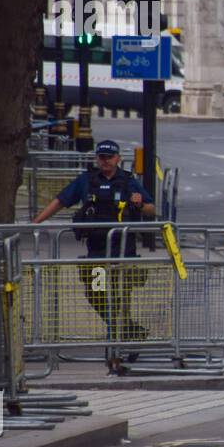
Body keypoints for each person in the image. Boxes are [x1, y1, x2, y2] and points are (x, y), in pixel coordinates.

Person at [33, 139, 156, 341]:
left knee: (121, 298)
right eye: (102, 157)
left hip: (122, 254)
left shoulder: (128, 181)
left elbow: (152, 209)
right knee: (96, 294)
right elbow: (60, 201)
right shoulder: (86, 180)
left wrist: (140, 203)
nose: (105, 161)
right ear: (97, 158)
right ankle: (128, 331)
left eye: (110, 157)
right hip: (97, 253)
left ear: (118, 158)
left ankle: (120, 343)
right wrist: (34, 223)